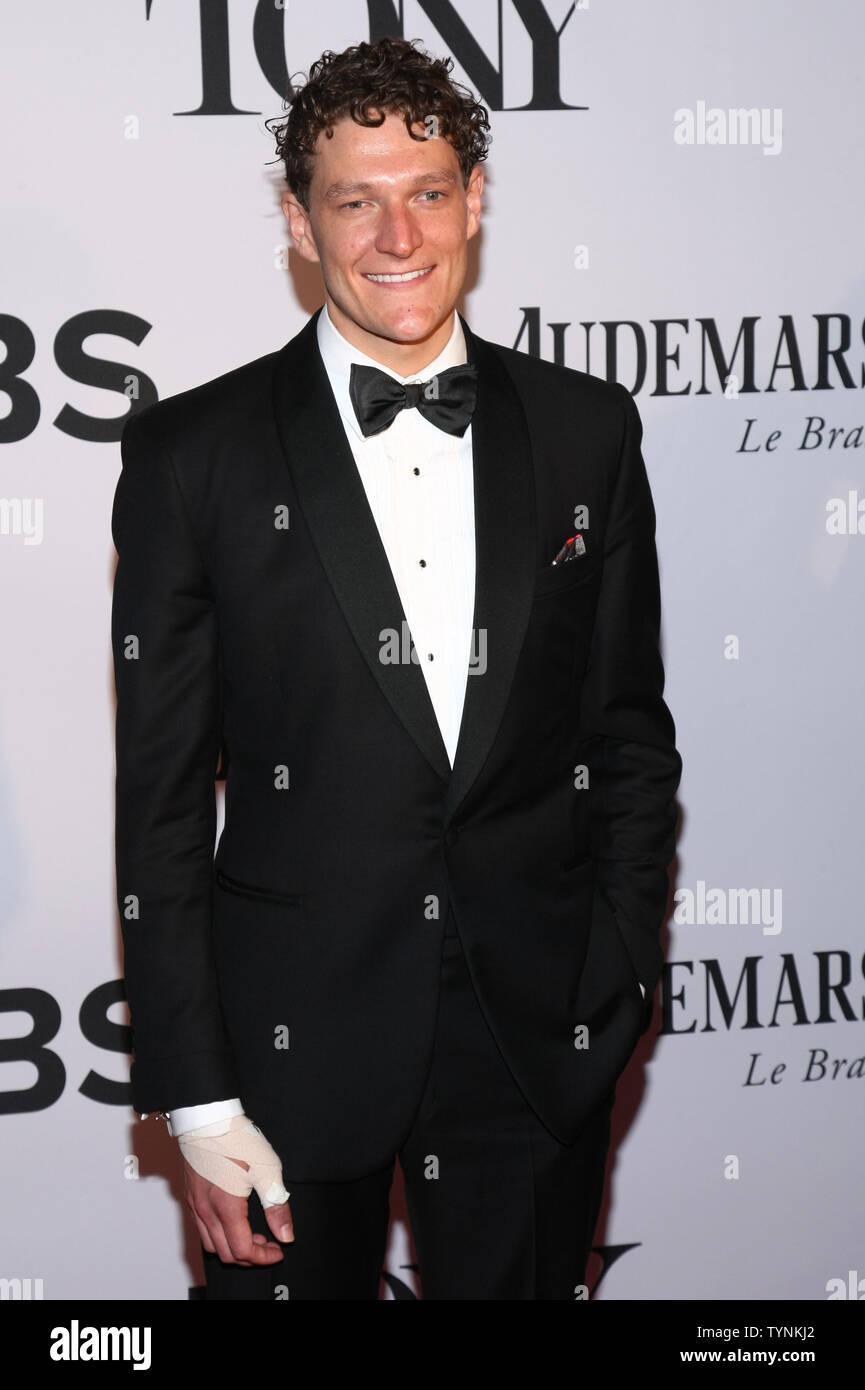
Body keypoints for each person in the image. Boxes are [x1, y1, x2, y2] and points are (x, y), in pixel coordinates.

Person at [111, 35, 681, 1300]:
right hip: (283, 1044)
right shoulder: (192, 457)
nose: (396, 235)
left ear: (475, 198)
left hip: (534, 1034)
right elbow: (156, 802)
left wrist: (618, 976)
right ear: (299, 224)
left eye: (426, 191)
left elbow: (629, 736)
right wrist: (194, 1094)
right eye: (352, 199)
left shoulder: (589, 432)